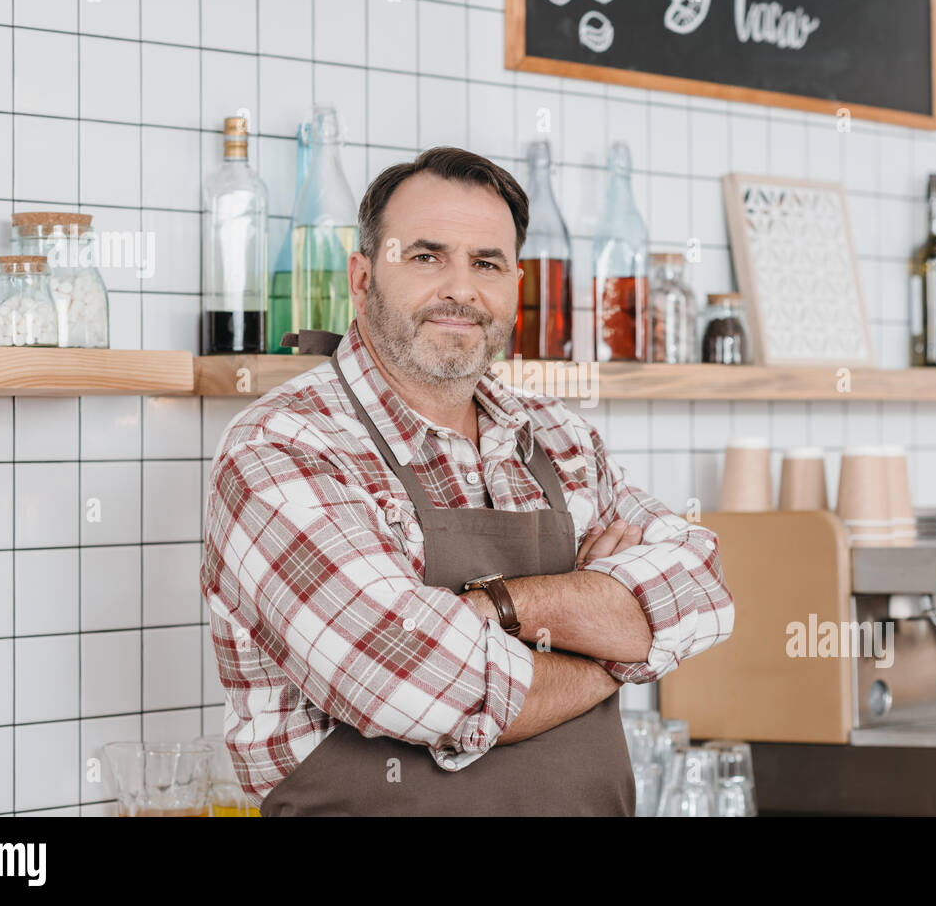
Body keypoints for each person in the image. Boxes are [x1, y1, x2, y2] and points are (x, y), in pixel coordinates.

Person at [201, 146, 734, 815]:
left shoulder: (559, 437)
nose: (461, 289)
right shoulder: (282, 448)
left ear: (516, 282)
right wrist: (612, 644)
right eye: (426, 257)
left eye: (487, 263)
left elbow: (704, 587)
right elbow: (422, 679)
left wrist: (500, 607)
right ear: (362, 278)